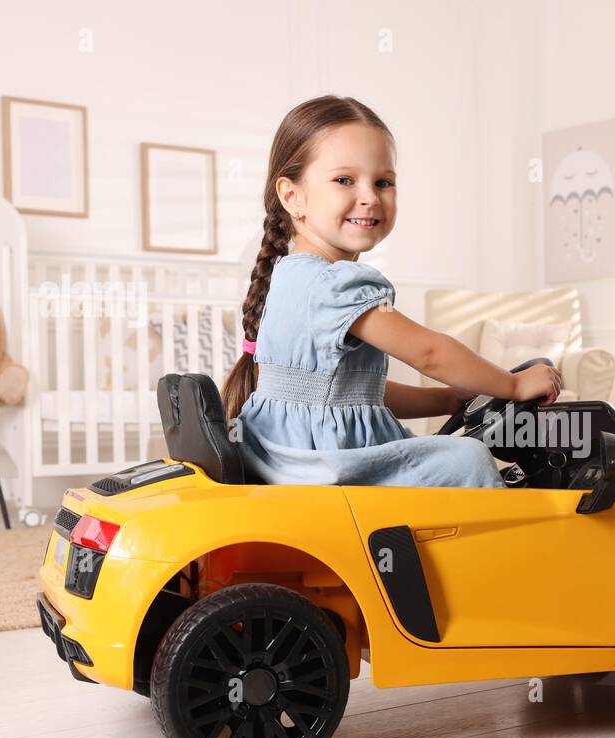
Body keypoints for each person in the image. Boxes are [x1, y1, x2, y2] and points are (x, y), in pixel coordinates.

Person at [221, 95, 561, 487]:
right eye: (344, 180)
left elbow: (355, 392)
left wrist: (448, 399)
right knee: (466, 459)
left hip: (291, 454)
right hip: (327, 464)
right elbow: (429, 353)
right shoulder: (337, 285)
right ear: (292, 196)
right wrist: (512, 384)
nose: (369, 196)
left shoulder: (288, 276)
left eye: (383, 182)